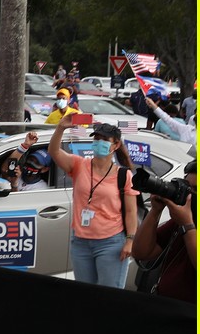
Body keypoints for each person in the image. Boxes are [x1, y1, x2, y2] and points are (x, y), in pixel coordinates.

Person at [48, 117, 139, 288]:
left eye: (105, 140)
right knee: (86, 295)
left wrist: (130, 240)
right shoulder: (79, 164)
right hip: (80, 242)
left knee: (109, 296)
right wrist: (60, 128)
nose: (99, 143)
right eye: (96, 139)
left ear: (116, 145)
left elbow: (131, 212)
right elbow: (54, 152)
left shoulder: (123, 175)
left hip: (111, 243)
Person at [128, 160, 196, 303]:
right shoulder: (183, 220)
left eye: (195, 190)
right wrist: (155, 211)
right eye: (188, 188)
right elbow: (141, 252)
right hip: (166, 306)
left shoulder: (186, 222)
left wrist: (187, 225)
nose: (190, 195)